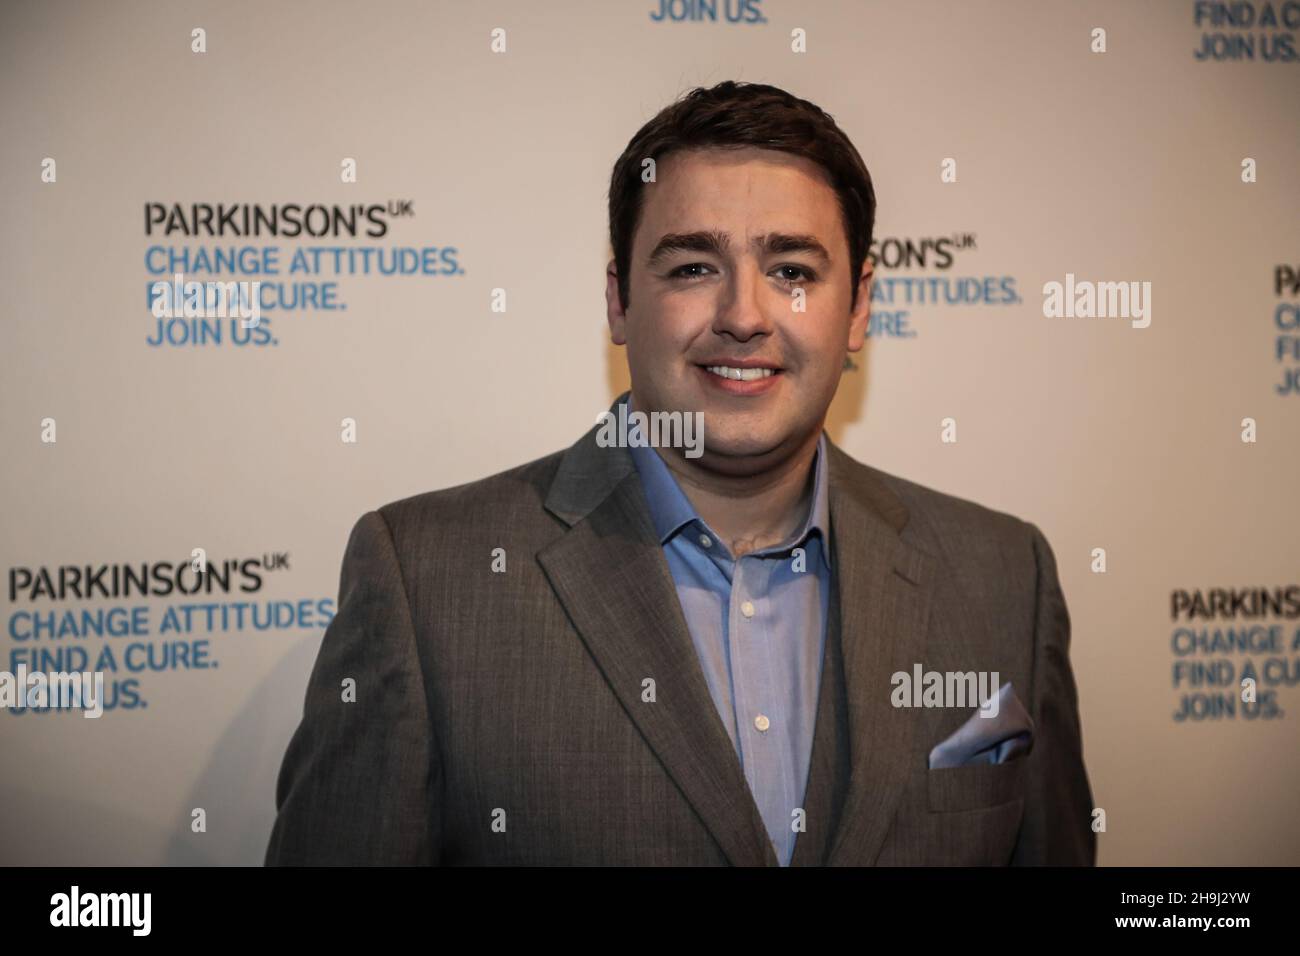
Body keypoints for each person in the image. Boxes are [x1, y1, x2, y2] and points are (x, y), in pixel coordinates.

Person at [265, 80, 1096, 866]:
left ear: (861, 307)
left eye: (793, 272)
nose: (743, 315)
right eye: (694, 266)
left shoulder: (1001, 580)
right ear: (620, 302)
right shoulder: (426, 585)